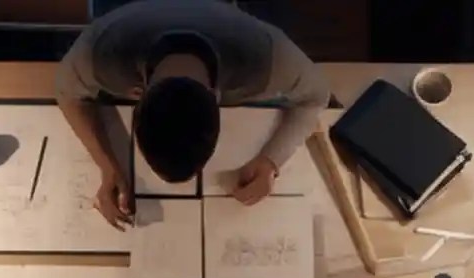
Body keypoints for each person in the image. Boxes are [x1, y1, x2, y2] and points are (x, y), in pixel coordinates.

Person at [55, 0, 330, 230]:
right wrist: (106, 165)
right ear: (137, 96)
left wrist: (272, 160)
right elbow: (66, 93)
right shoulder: (103, 53)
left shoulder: (265, 57)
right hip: (131, 16)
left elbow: (318, 94)